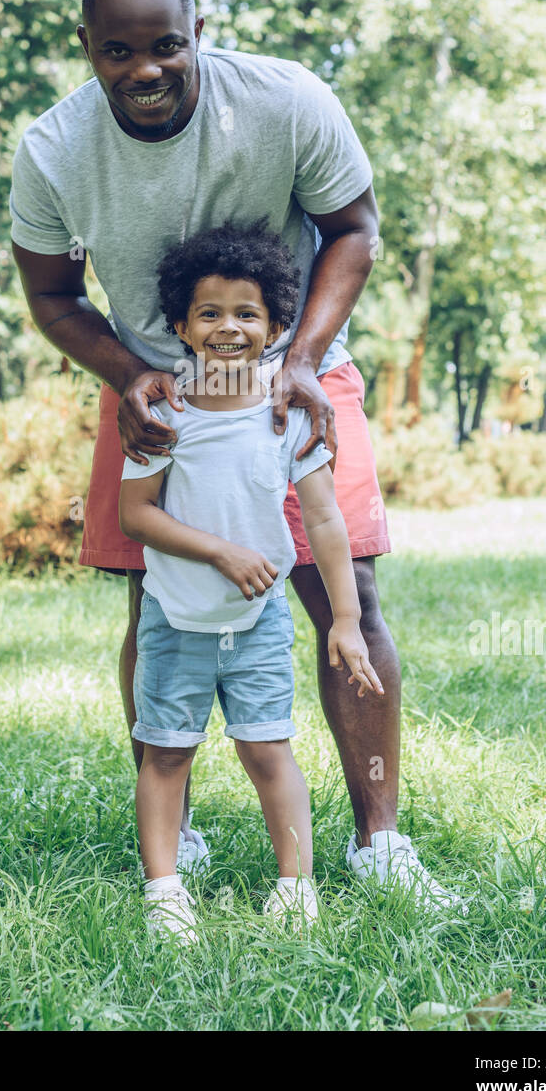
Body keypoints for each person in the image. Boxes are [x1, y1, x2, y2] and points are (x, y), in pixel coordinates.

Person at [11, 0, 464, 912]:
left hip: (298, 372)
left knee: (349, 600)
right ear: (87, 48)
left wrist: (298, 359)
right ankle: (177, 837)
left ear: (197, 33)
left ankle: (379, 838)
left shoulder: (286, 99)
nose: (145, 70)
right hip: (154, 389)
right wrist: (134, 377)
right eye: (118, 51)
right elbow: (52, 298)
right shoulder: (51, 150)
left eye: (166, 45)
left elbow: (354, 229)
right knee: (155, 604)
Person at [119, 221, 383, 941]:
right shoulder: (162, 413)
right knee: (167, 750)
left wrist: (343, 620)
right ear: (179, 323)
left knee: (267, 749)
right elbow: (134, 513)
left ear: (273, 328)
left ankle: (295, 890)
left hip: (258, 619)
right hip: (175, 616)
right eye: (209, 313)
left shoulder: (288, 416)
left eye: (246, 313)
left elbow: (325, 523)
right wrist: (219, 553)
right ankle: (165, 893)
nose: (227, 327)